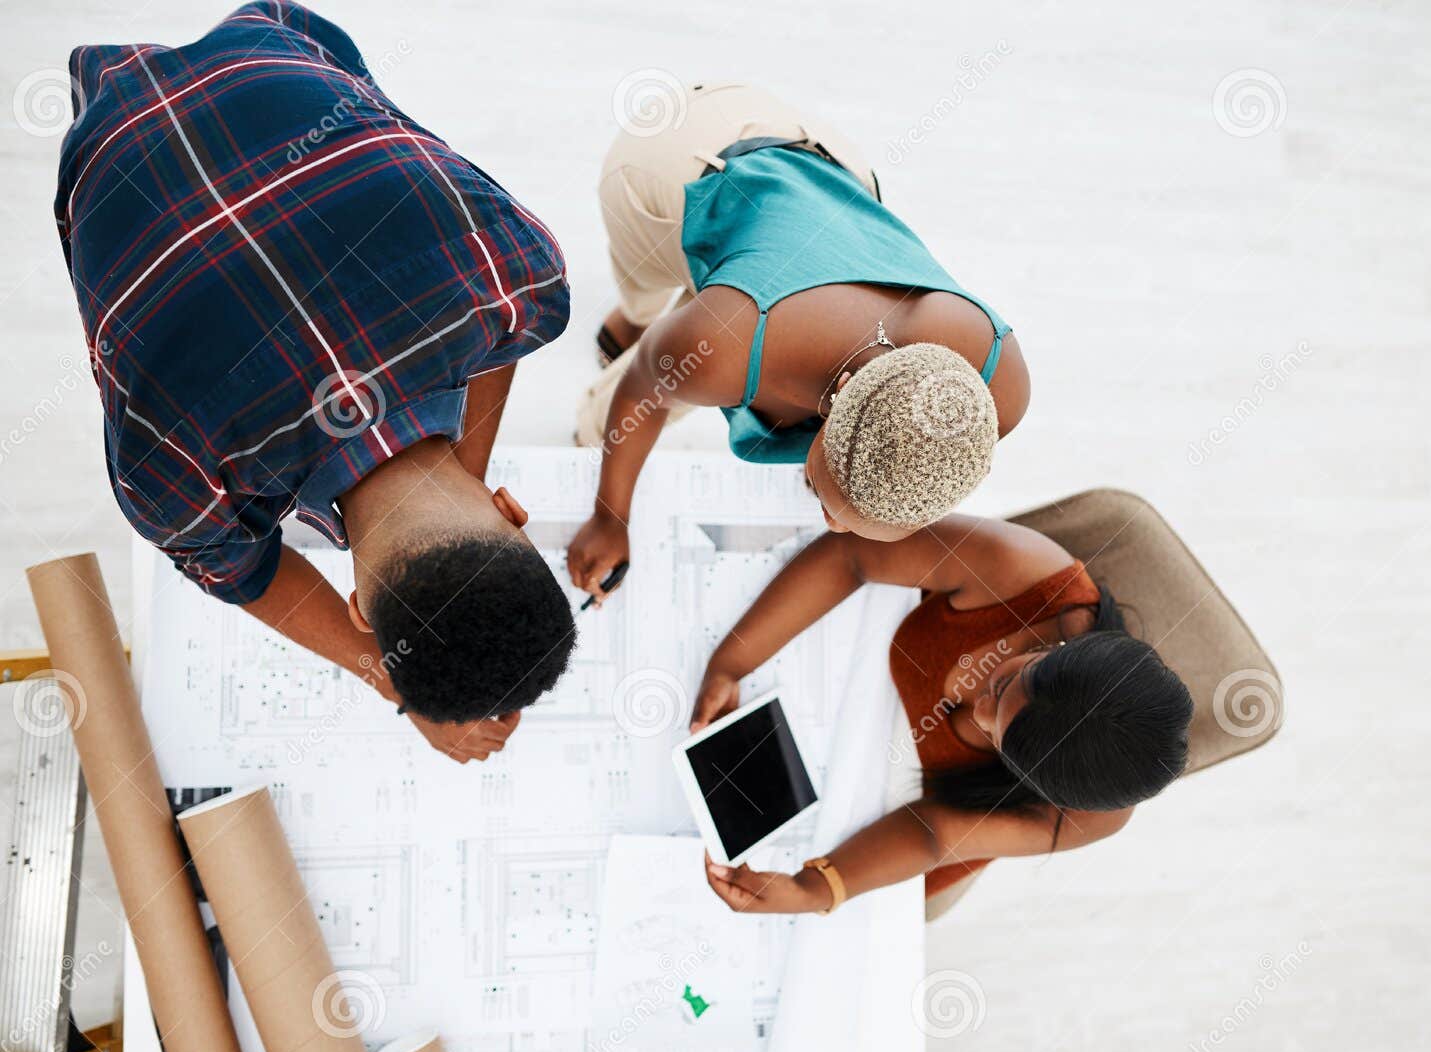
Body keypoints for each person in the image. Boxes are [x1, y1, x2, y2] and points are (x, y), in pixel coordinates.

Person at [55, 2, 576, 761]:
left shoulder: (522, 274)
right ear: (357, 607)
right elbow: (238, 572)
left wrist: (465, 474)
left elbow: (507, 334)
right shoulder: (173, 486)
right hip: (104, 148)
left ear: (512, 510)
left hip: (268, 45)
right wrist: (390, 679)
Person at [567, 83, 1031, 604]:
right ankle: (635, 319)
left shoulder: (998, 391)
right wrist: (609, 517)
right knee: (642, 304)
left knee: (710, 313)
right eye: (835, 507)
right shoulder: (723, 350)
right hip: (684, 149)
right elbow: (641, 391)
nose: (832, 526)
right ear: (837, 397)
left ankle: (706, 290)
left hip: (832, 177)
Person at [688, 515, 1194, 915]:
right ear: (1059, 649)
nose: (982, 710)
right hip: (831, 692)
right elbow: (854, 553)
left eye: (1001, 738)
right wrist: (731, 663)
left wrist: (815, 889)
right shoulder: (1024, 573)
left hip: (883, 843)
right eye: (1008, 681)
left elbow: (936, 835)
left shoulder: (1091, 815)